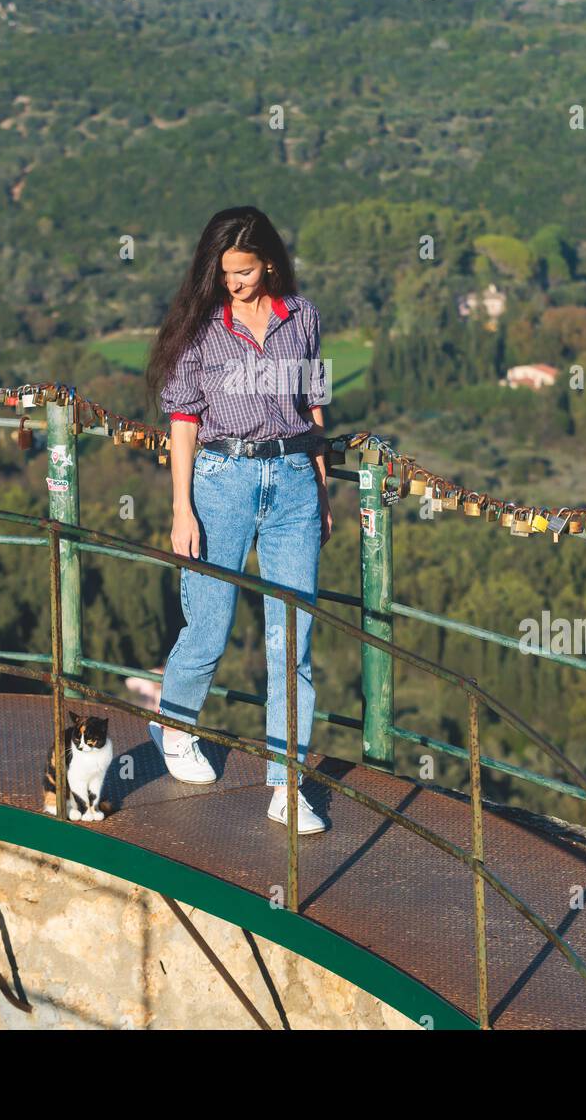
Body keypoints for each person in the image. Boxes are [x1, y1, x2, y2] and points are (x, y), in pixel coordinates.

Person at [144, 206, 333, 833]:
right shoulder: (200, 329)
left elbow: (312, 407)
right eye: (224, 272)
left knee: (292, 640)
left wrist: (323, 492)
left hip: (294, 485)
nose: (234, 283)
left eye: (245, 271)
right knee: (209, 623)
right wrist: (182, 508)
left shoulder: (301, 317)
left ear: (270, 263)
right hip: (219, 483)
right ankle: (174, 728)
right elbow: (184, 421)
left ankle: (286, 787)